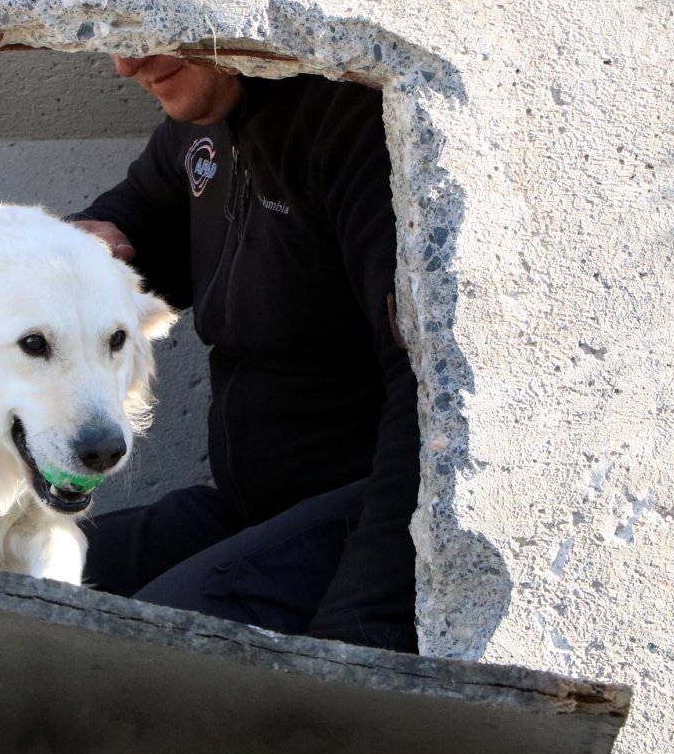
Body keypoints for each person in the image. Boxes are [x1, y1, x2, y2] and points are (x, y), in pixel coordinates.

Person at [71, 53, 419, 653]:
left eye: (156, 29)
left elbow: (428, 397)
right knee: (21, 578)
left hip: (358, 521)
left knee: (128, 650)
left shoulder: (355, 125)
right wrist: (89, 237)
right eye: (118, 33)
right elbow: (140, 215)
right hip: (241, 508)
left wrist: (358, 628)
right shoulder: (201, 120)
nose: (126, 62)